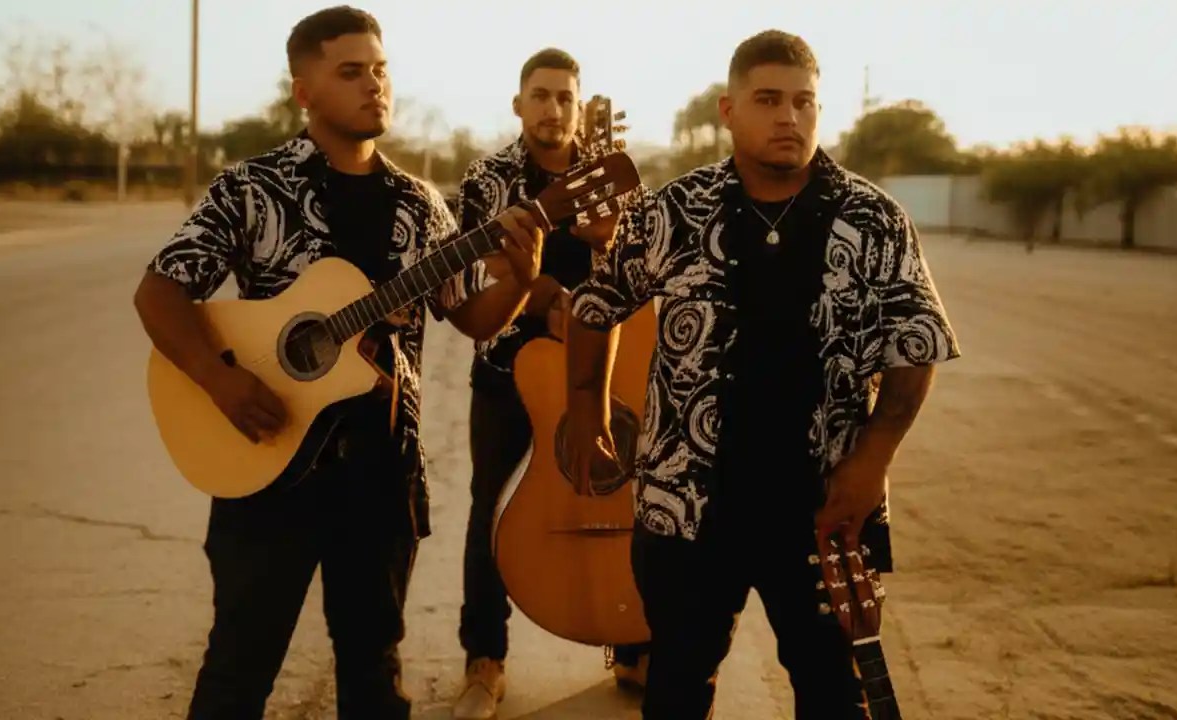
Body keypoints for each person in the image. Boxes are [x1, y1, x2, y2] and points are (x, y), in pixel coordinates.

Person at [131, 7, 546, 719]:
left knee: (374, 676)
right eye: (350, 72)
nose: (373, 85)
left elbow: (472, 318)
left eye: (380, 70)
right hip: (264, 461)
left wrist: (519, 280)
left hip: (381, 475)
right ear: (304, 91)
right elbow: (159, 292)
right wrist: (221, 380)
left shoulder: (420, 206)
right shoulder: (252, 188)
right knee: (238, 669)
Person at [564, 29, 961, 719]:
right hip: (688, 507)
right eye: (768, 100)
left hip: (825, 509)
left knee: (834, 690)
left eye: (804, 102)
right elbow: (595, 308)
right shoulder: (675, 212)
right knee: (677, 684)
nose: (789, 117)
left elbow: (915, 344)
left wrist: (871, 463)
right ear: (729, 109)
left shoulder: (873, 220)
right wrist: (587, 410)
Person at [449, 47, 649, 720]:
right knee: (490, 510)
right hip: (510, 367)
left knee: (625, 499)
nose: (553, 108)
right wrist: (547, 303)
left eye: (565, 96)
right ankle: (485, 660)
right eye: (540, 95)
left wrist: (607, 237)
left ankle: (630, 641)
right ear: (518, 104)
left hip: (603, 372)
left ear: (581, 105)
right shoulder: (489, 178)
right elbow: (480, 273)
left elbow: (644, 272)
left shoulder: (613, 177)